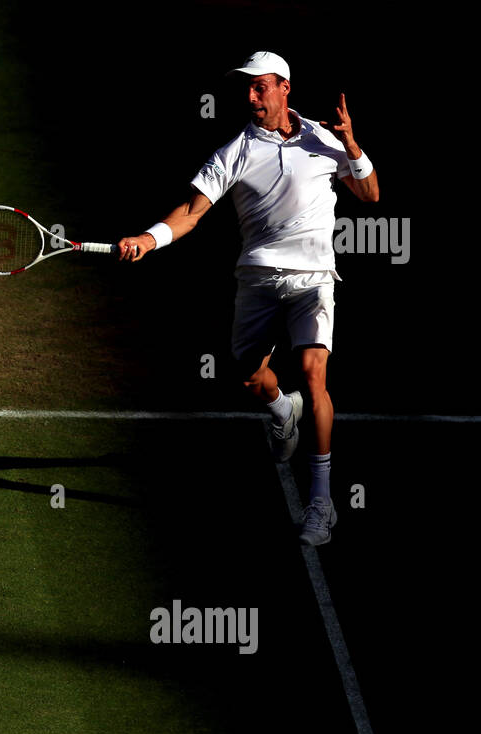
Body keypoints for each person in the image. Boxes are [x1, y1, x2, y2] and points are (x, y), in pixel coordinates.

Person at [117, 51, 378, 545]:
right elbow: (191, 211)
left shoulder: (324, 140)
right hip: (257, 277)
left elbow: (370, 195)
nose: (251, 96)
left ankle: (321, 501)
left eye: (260, 87)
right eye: (248, 89)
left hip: (315, 277)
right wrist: (150, 238)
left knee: (314, 374)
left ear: (284, 89)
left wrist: (351, 144)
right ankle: (281, 408)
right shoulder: (234, 151)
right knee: (248, 375)